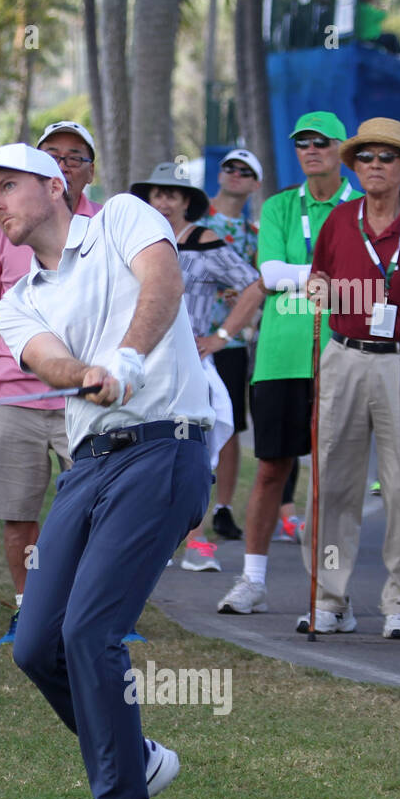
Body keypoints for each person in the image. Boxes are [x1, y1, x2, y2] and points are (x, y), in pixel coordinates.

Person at [0, 143, 211, 799]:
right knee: (36, 643)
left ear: (54, 184)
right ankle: (135, 759)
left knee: (91, 629)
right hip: (91, 463)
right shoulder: (17, 301)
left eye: (7, 187)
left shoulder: (124, 218)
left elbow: (162, 285)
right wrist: (83, 373)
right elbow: (47, 359)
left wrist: (127, 359)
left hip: (164, 447)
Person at [302, 118, 400, 638]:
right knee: (331, 480)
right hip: (343, 356)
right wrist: (319, 287)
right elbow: (321, 282)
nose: (374, 166)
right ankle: (329, 598)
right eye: (365, 157)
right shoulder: (340, 220)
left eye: (386, 158)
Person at [217, 111, 362, 616]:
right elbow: (271, 273)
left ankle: (328, 593)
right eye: (302, 142)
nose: (310, 150)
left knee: (332, 477)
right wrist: (323, 274)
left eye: (321, 142)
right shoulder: (279, 206)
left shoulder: (360, 206)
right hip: (279, 359)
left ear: (342, 149)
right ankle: (252, 580)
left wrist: (305, 276)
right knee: (271, 469)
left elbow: (361, 275)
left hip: (342, 357)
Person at [0, 121, 100, 645]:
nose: (64, 163)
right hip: (13, 396)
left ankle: (90, 610)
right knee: (18, 512)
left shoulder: (107, 225)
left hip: (86, 399)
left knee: (98, 512)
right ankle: (30, 609)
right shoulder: (4, 225)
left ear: (88, 170)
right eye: (53, 154)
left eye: (76, 156)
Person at [130, 161, 260, 572]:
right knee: (147, 451)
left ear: (187, 201)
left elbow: (254, 283)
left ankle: (196, 538)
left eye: (172, 194)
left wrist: (222, 336)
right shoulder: (138, 240)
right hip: (143, 361)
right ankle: (155, 540)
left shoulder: (204, 240)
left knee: (194, 452)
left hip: (191, 364)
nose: (164, 201)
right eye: (157, 194)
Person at [198, 147, 264, 542]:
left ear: (255, 184)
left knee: (231, 424)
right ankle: (187, 515)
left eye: (245, 171)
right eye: (229, 168)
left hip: (232, 342)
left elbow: (259, 284)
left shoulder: (254, 234)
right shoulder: (195, 218)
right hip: (189, 337)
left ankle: (222, 508)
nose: (235, 174)